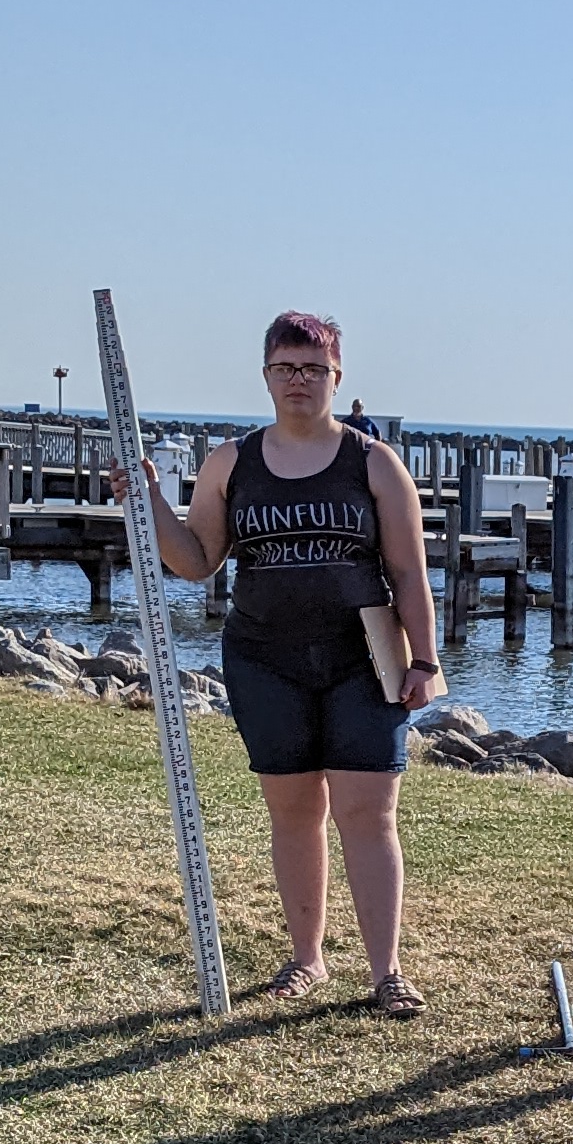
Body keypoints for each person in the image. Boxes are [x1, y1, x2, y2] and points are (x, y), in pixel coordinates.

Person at [143, 313, 440, 1014]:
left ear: (337, 378)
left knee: (369, 812)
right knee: (294, 811)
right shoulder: (231, 463)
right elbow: (195, 560)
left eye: (313, 369)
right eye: (286, 368)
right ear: (266, 375)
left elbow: (410, 571)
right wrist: (149, 502)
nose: (299, 381)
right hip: (264, 657)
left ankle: (385, 972)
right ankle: (307, 960)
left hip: (363, 658)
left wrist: (423, 660)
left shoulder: (372, 463)